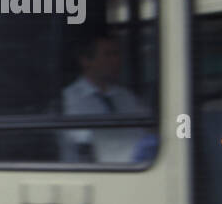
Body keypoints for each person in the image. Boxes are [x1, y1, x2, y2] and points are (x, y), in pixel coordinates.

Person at [60, 32, 154, 163]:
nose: (116, 61)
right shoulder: (68, 99)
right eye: (108, 55)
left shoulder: (126, 96)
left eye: (117, 54)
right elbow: (84, 141)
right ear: (86, 61)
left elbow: (148, 128)